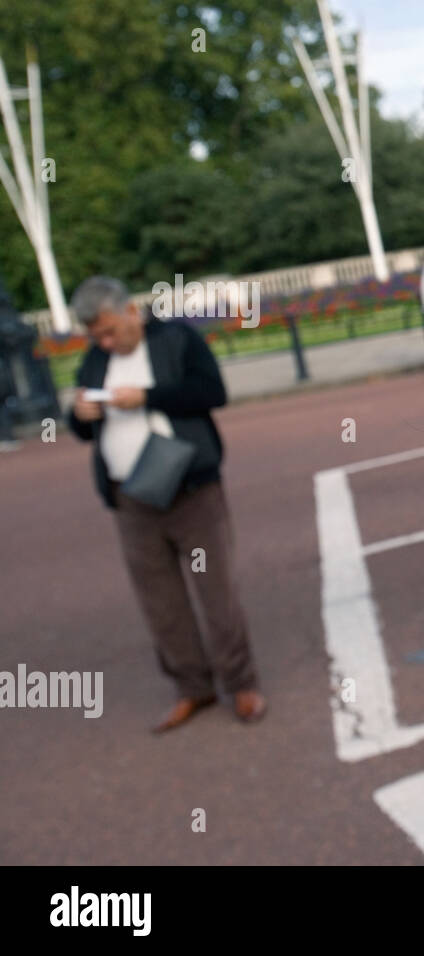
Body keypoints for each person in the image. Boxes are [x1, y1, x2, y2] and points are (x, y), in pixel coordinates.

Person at [67, 276, 266, 732]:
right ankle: (191, 686)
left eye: (110, 331)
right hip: (130, 498)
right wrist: (79, 416)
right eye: (96, 335)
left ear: (131, 313)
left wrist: (148, 397)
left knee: (216, 593)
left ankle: (241, 683)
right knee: (160, 601)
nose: (104, 342)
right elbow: (81, 428)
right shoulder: (95, 360)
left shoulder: (176, 338)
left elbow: (212, 392)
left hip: (191, 490)